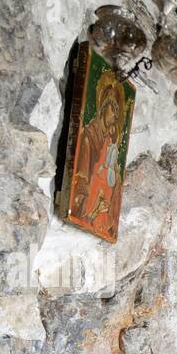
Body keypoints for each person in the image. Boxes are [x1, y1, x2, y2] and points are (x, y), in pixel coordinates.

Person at [70, 68, 128, 239]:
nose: (116, 115)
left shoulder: (109, 141)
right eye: (114, 109)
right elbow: (81, 177)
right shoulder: (89, 136)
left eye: (118, 112)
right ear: (103, 106)